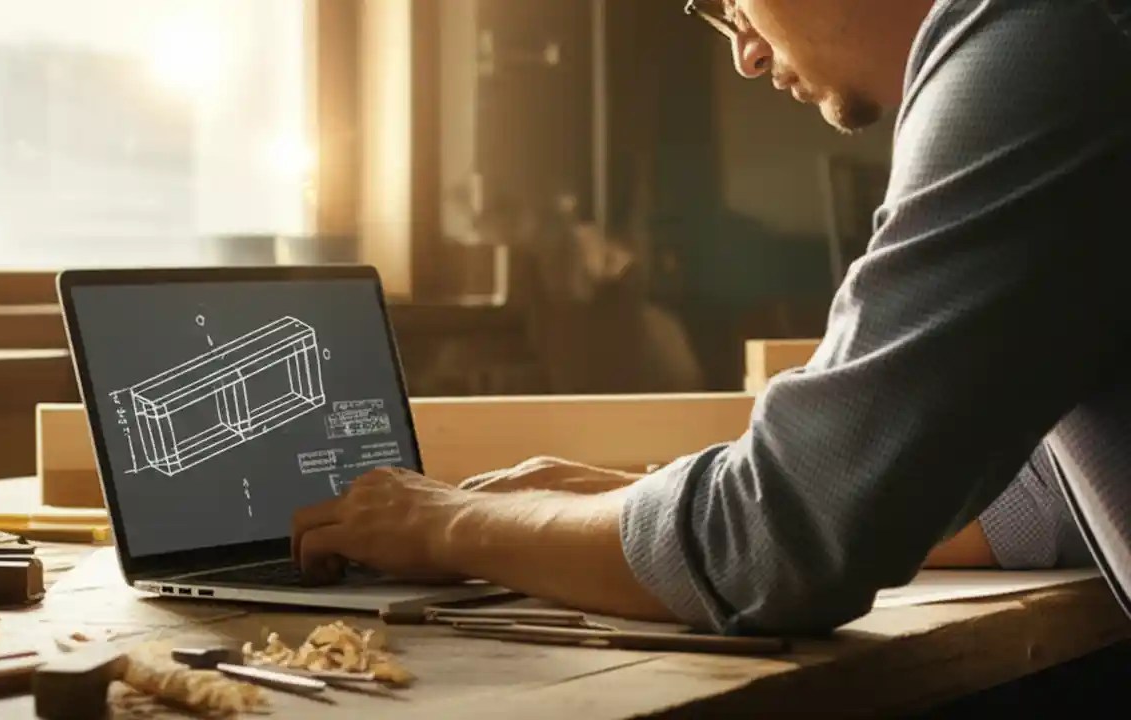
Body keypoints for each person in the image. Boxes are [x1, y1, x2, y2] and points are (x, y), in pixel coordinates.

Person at [292, 0, 1131, 634]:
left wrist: (449, 524)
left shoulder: (1046, 42)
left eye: (732, 1)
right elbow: (1043, 496)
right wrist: (631, 498)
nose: (746, 53)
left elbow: (780, 546)